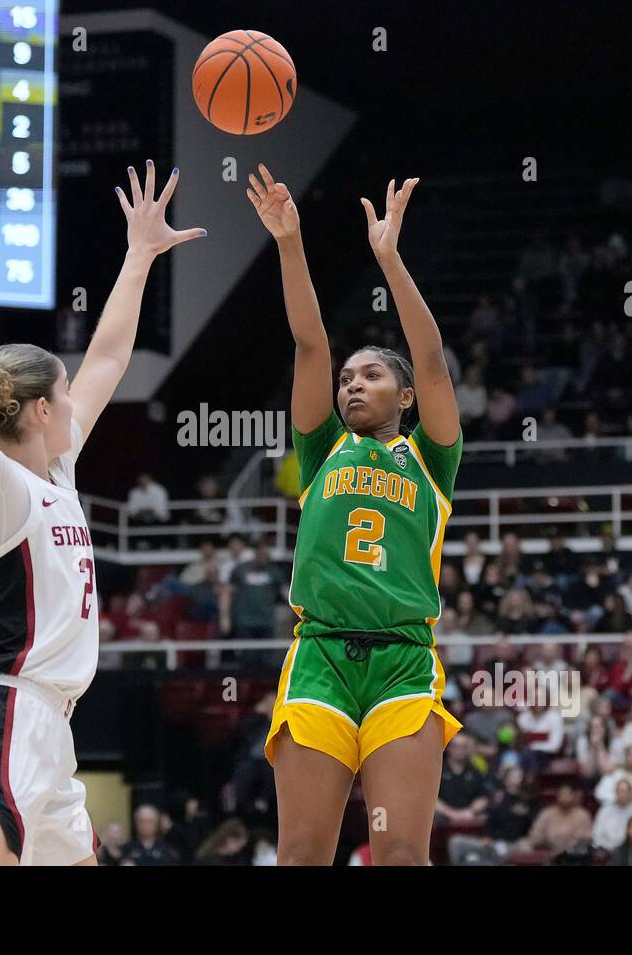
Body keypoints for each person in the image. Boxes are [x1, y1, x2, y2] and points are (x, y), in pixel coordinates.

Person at [0, 162, 203, 867]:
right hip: (0, 715)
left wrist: (139, 255)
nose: (80, 397)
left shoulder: (57, 470)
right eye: (67, 388)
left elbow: (112, 353)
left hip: (52, 728)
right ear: (44, 409)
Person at [248, 166, 464, 865]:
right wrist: (288, 242)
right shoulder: (320, 452)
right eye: (349, 378)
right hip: (319, 658)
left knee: (400, 852)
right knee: (303, 853)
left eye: (371, 375)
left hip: (404, 664)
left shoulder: (430, 460)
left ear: (404, 397)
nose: (352, 383)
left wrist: (390, 258)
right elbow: (311, 344)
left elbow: (432, 363)